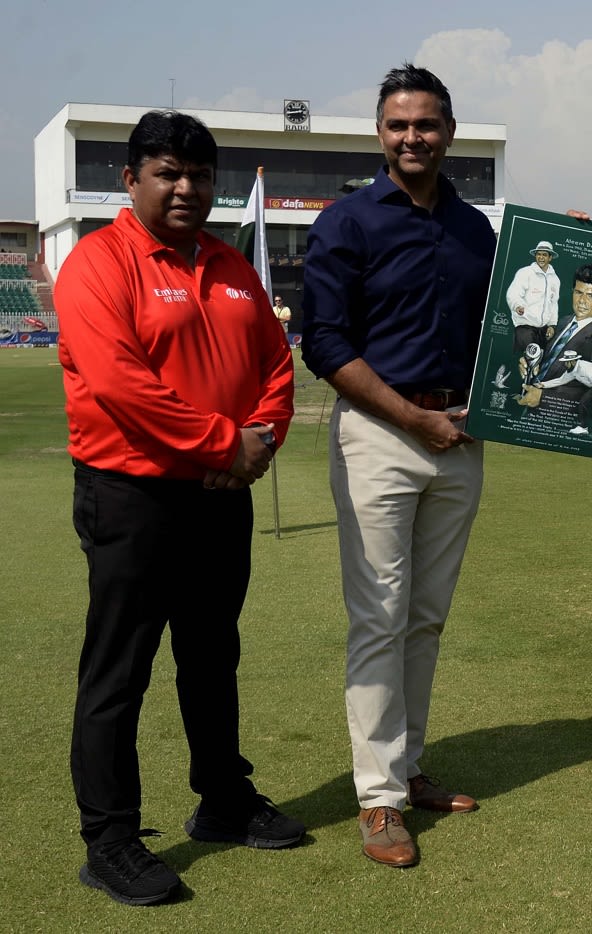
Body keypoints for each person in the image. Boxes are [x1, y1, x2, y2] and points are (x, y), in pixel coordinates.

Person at [55, 110, 302, 907]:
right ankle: (110, 839)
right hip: (132, 495)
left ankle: (223, 801)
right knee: (118, 671)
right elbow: (121, 383)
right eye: (167, 173)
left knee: (210, 655)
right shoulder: (98, 262)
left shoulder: (233, 265)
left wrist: (257, 439)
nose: (186, 187)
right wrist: (224, 443)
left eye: (199, 174)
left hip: (218, 496)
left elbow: (274, 361)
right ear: (131, 181)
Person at [301, 63, 496, 869]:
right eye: (398, 125)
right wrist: (411, 416)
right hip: (382, 431)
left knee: (425, 614)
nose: (412, 137)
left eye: (427, 124)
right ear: (380, 133)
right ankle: (378, 800)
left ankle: (407, 766)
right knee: (379, 616)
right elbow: (325, 344)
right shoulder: (346, 221)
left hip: (460, 433)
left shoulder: (476, 228)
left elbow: (505, 336)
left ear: (449, 132)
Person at [539, 263, 592, 378]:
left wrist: (541, 393)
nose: (582, 301)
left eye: (590, 296)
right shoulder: (562, 322)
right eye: (579, 292)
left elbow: (590, 385)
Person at [504, 240, 560, 353]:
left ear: (550, 258)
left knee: (539, 367)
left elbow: (553, 304)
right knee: (524, 363)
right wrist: (517, 306)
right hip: (525, 328)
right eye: (538, 254)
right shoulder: (525, 273)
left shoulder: (555, 279)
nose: (541, 257)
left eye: (544, 255)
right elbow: (513, 293)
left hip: (543, 332)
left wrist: (552, 325)